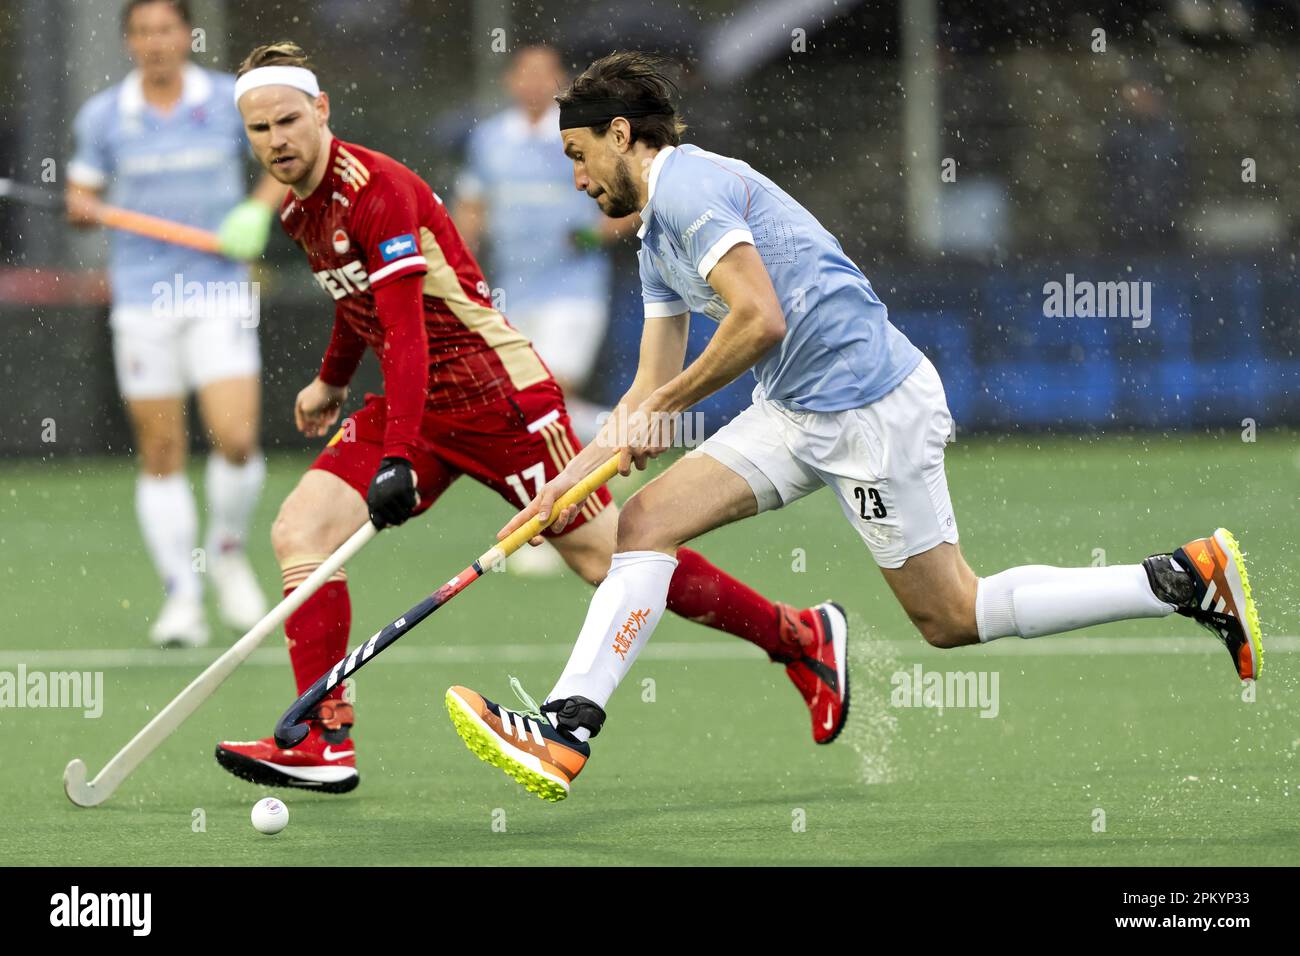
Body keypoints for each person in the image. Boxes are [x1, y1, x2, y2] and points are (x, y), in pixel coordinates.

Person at [445, 51, 1264, 802]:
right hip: (797, 409)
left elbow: (757, 319)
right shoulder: (655, 233)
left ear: (622, 135)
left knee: (951, 616)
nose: (578, 179)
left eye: (580, 155)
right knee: (644, 522)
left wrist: (657, 414)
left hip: (872, 408)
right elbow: (649, 387)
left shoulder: (689, 189)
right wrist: (565, 484)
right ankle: (566, 728)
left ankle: (1181, 580)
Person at [213, 42, 852, 795]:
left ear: (321, 111)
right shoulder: (299, 212)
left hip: (497, 397)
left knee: (608, 556)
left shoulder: (378, 190)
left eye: (288, 120)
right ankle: (323, 737)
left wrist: (398, 452)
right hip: (414, 405)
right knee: (302, 531)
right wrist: (329, 383)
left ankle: (799, 636)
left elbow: (411, 334)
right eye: (260, 130)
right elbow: (360, 312)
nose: (276, 140)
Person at [66, 0, 282, 647]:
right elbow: (82, 193)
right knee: (161, 454)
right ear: (129, 41)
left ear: (186, 35)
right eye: (142, 32)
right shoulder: (105, 116)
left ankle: (227, 551)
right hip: (142, 299)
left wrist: (256, 212)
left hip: (217, 291)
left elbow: (282, 165)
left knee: (237, 439)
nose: (156, 42)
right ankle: (182, 597)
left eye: (166, 29)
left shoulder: (226, 100)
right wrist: (82, 206)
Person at [454, 43, 639, 576]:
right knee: (530, 407)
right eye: (525, 74)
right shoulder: (489, 140)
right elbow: (471, 208)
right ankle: (618, 440)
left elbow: (631, 201)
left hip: (574, 290)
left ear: (560, 82)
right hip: (514, 292)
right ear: (512, 81)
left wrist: (597, 230)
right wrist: (462, 267)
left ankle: (581, 495)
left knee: (553, 390)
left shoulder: (583, 135)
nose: (534, 84)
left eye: (546, 75)